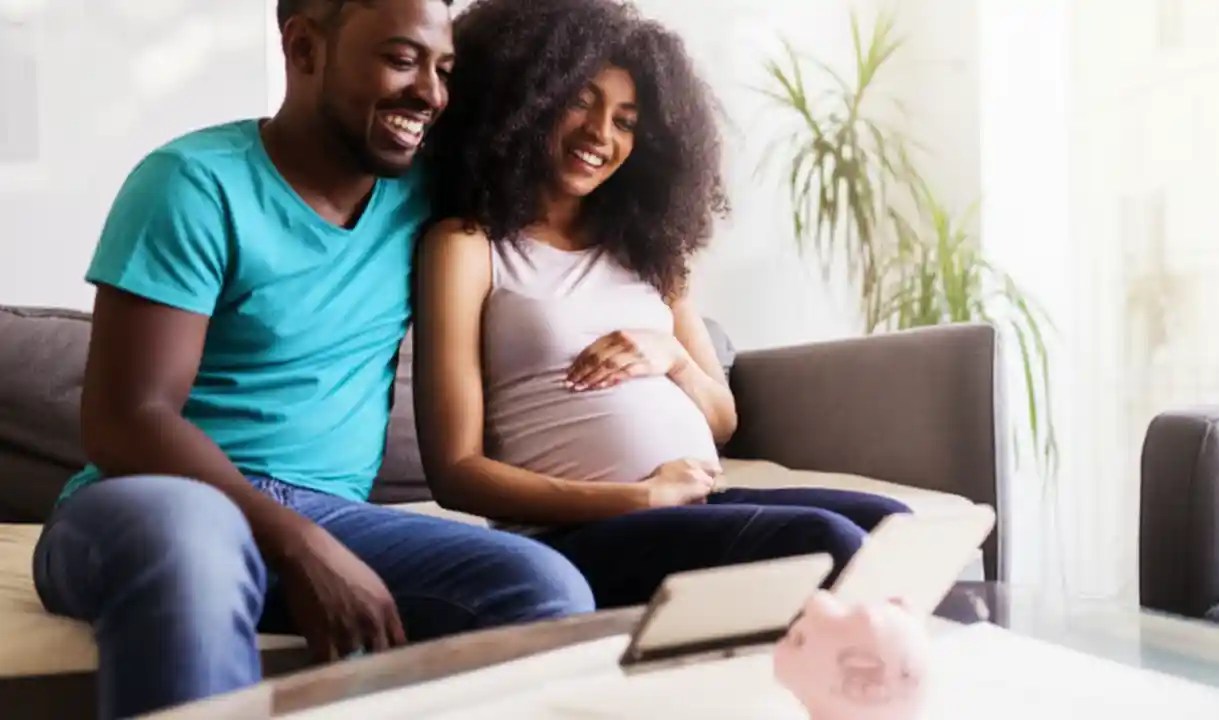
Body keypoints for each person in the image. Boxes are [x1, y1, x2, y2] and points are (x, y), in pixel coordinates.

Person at [32, 1, 594, 717]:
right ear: (303, 49)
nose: (431, 92)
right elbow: (124, 421)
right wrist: (300, 545)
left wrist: (666, 341)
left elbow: (576, 185)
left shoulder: (427, 198)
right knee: (195, 537)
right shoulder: (194, 183)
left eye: (444, 69)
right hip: (148, 506)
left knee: (546, 588)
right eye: (400, 59)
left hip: (329, 514)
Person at [416, 0, 912, 610]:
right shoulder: (468, 246)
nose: (600, 134)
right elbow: (456, 471)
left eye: (626, 120)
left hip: (696, 503)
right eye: (580, 101)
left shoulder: (651, 252)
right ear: (526, 103)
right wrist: (638, 498)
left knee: (897, 526)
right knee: (825, 540)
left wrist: (672, 356)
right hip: (580, 533)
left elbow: (723, 421)